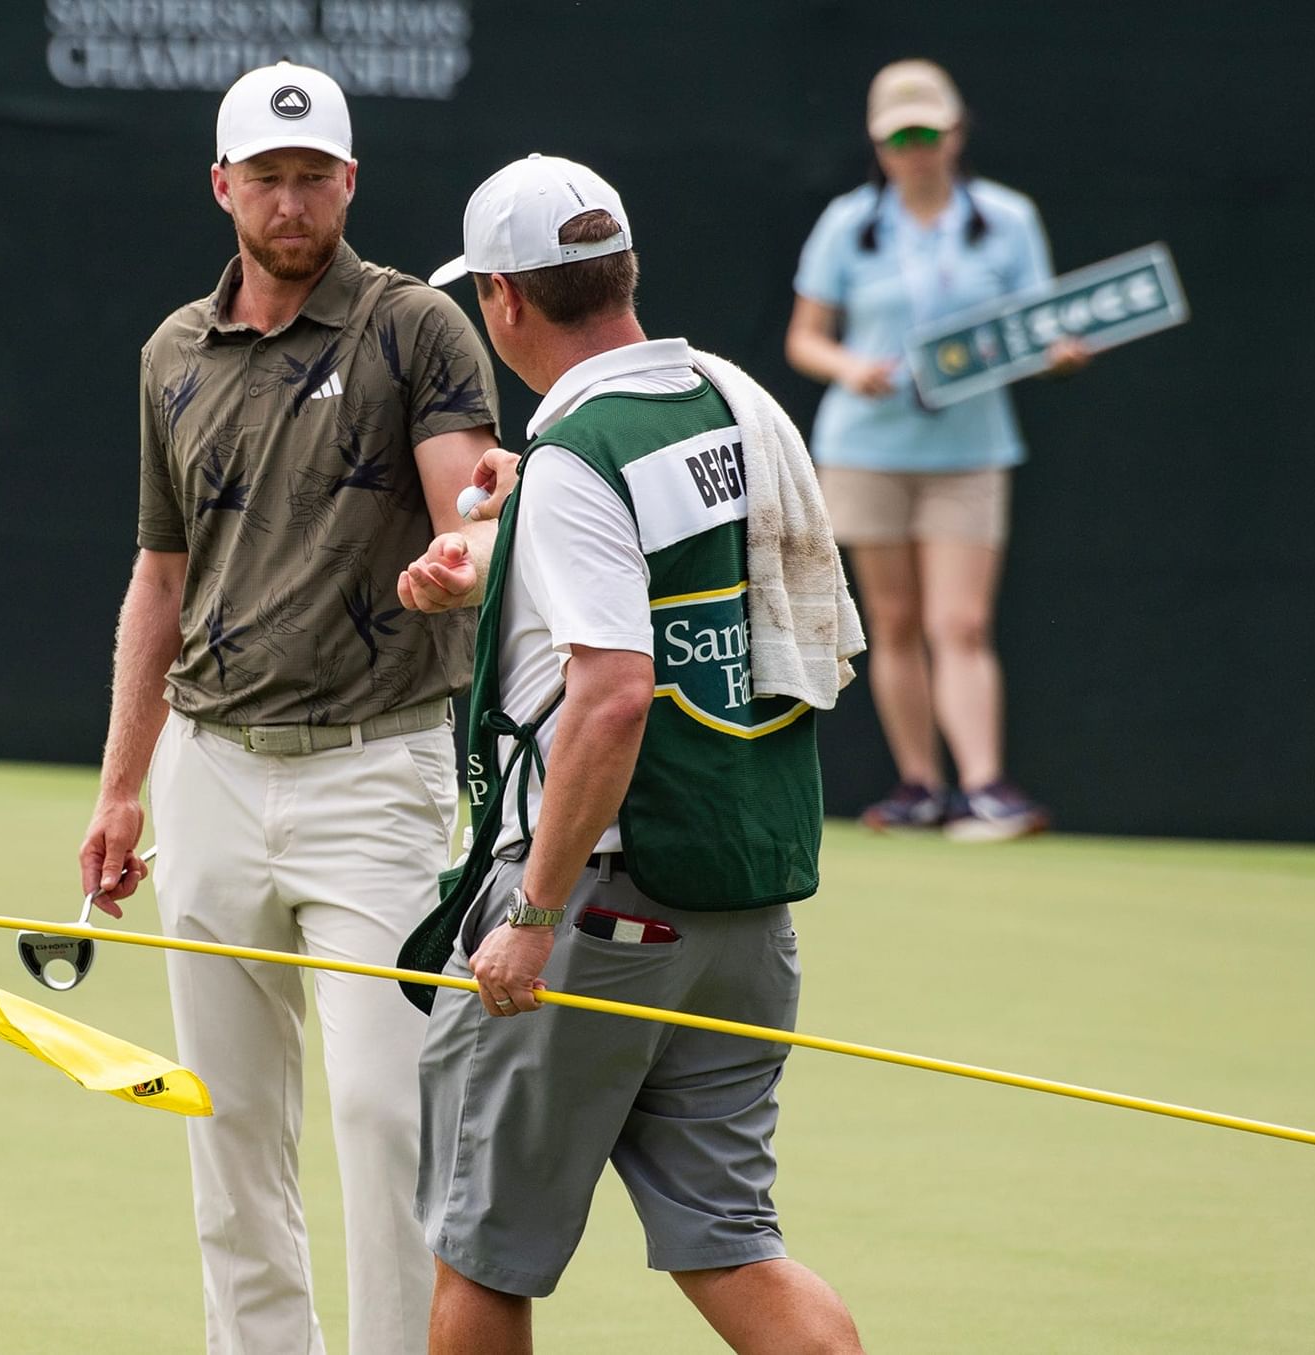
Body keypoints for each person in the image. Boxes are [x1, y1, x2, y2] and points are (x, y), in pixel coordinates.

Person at [399, 153, 868, 1355]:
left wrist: (533, 913)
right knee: (732, 1241)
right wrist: (523, 509)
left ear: (504, 298)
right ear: (624, 272)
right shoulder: (723, 403)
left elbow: (611, 699)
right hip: (742, 906)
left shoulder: (578, 456)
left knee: (480, 1251)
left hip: (599, 905)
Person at [76, 61, 501, 1355]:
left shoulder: (415, 322)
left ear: (351, 181)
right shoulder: (171, 352)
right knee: (225, 1116)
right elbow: (161, 576)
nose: (292, 200)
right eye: (268, 176)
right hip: (209, 769)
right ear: (223, 185)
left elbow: (470, 511)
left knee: (385, 1107)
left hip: (375, 770)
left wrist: (463, 558)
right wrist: (121, 785)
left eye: (315, 176)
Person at [785, 58, 1089, 841]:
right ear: (878, 144)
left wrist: (1056, 353)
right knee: (893, 621)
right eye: (900, 137)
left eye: (928, 133)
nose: (915, 150)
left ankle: (984, 788)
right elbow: (806, 340)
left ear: (955, 134)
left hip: (970, 450)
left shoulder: (1007, 219)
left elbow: (1036, 328)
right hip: (865, 448)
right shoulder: (849, 223)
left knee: (961, 622)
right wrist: (852, 367)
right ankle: (920, 784)